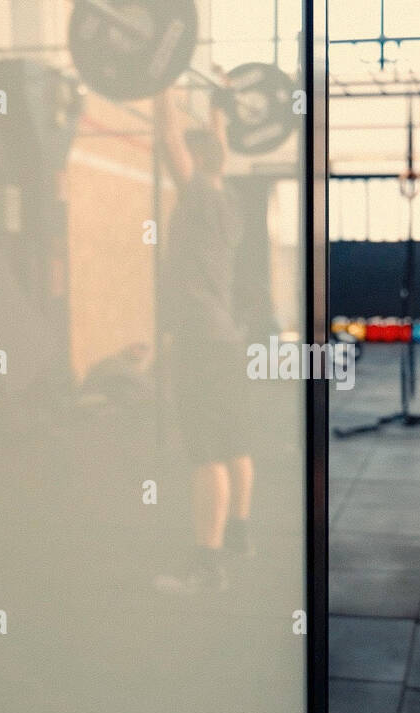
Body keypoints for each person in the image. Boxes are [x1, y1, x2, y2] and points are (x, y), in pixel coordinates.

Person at [153, 82, 255, 594]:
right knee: (235, 443)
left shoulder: (195, 196)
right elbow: (217, 153)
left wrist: (160, 83)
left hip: (200, 340)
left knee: (206, 455)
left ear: (195, 162)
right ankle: (237, 534)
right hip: (227, 339)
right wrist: (217, 108)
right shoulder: (228, 198)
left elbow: (170, 140)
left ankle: (206, 567)